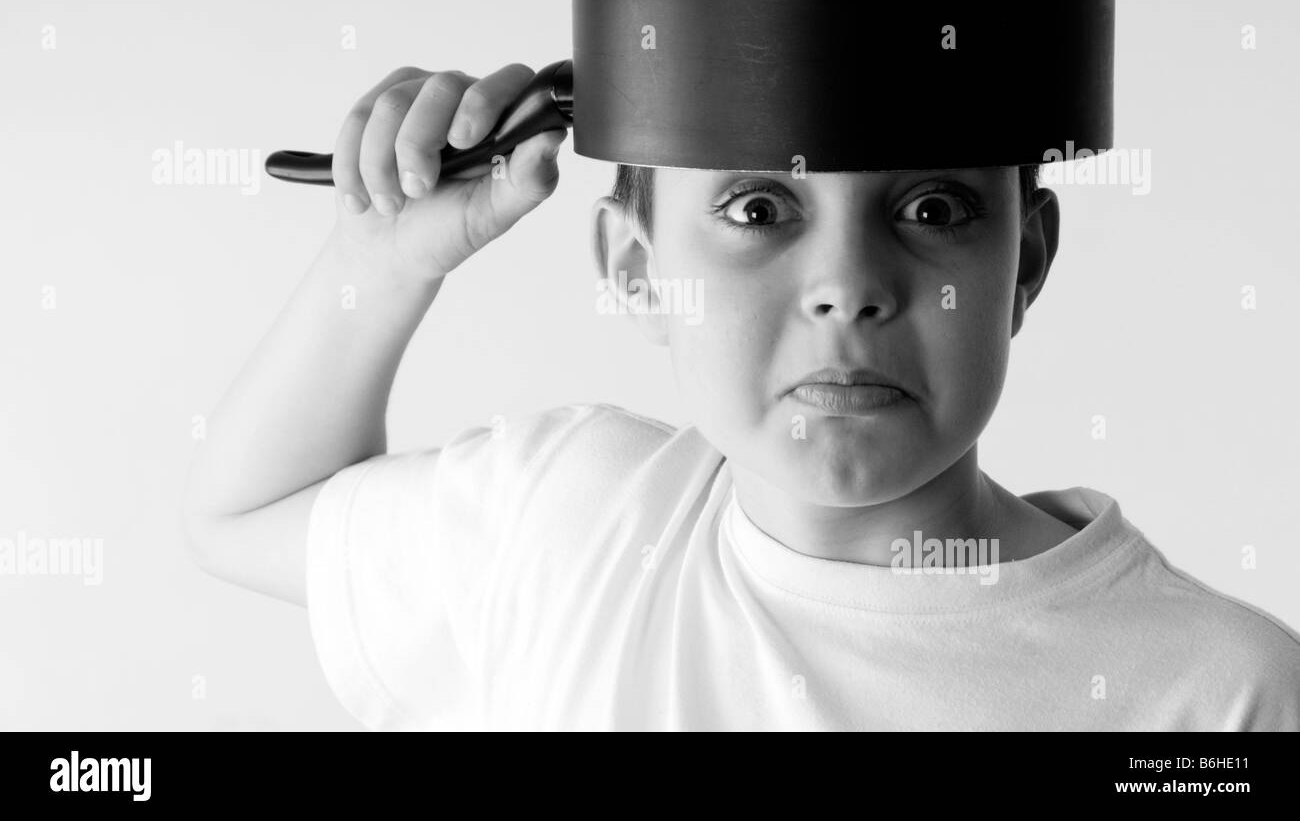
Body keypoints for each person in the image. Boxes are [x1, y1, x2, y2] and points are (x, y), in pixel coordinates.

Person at [183, 63, 1300, 730]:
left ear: (1025, 262)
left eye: (932, 209)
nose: (849, 288)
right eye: (760, 210)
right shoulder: (567, 526)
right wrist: (375, 262)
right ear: (635, 270)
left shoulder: (1214, 695)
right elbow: (245, 511)